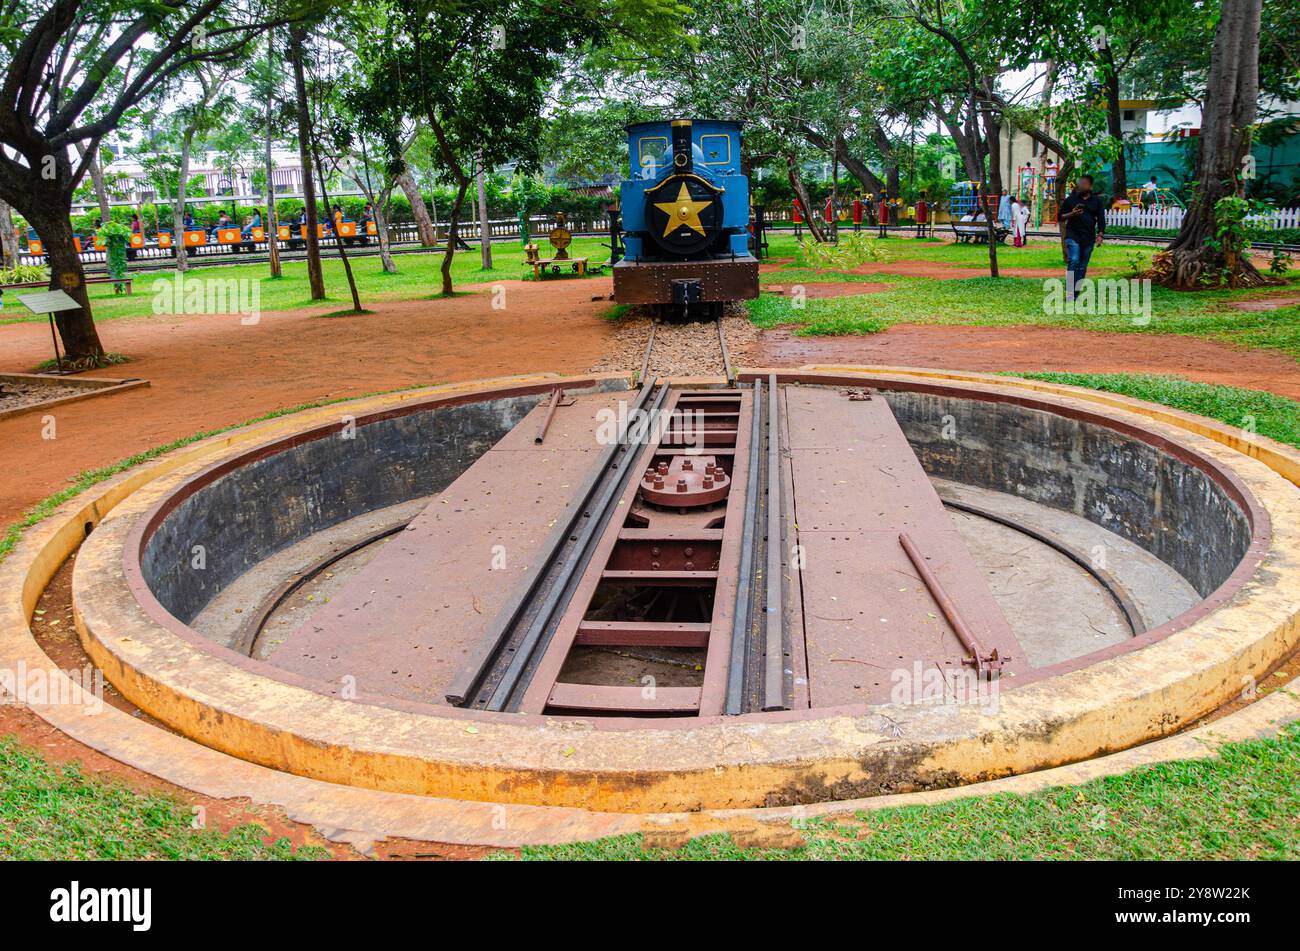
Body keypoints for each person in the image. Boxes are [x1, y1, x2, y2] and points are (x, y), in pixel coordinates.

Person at [1059, 174, 1105, 298]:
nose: (1081, 185)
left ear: (1090, 186)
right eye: (1080, 183)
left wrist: (1100, 235)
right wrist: (1072, 214)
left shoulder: (1096, 201)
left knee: (1082, 267)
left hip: (1088, 238)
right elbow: (1060, 217)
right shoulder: (1071, 200)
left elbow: (1101, 219)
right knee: (1074, 260)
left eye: (1084, 183)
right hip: (1072, 236)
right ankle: (1069, 291)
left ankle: (1075, 293)